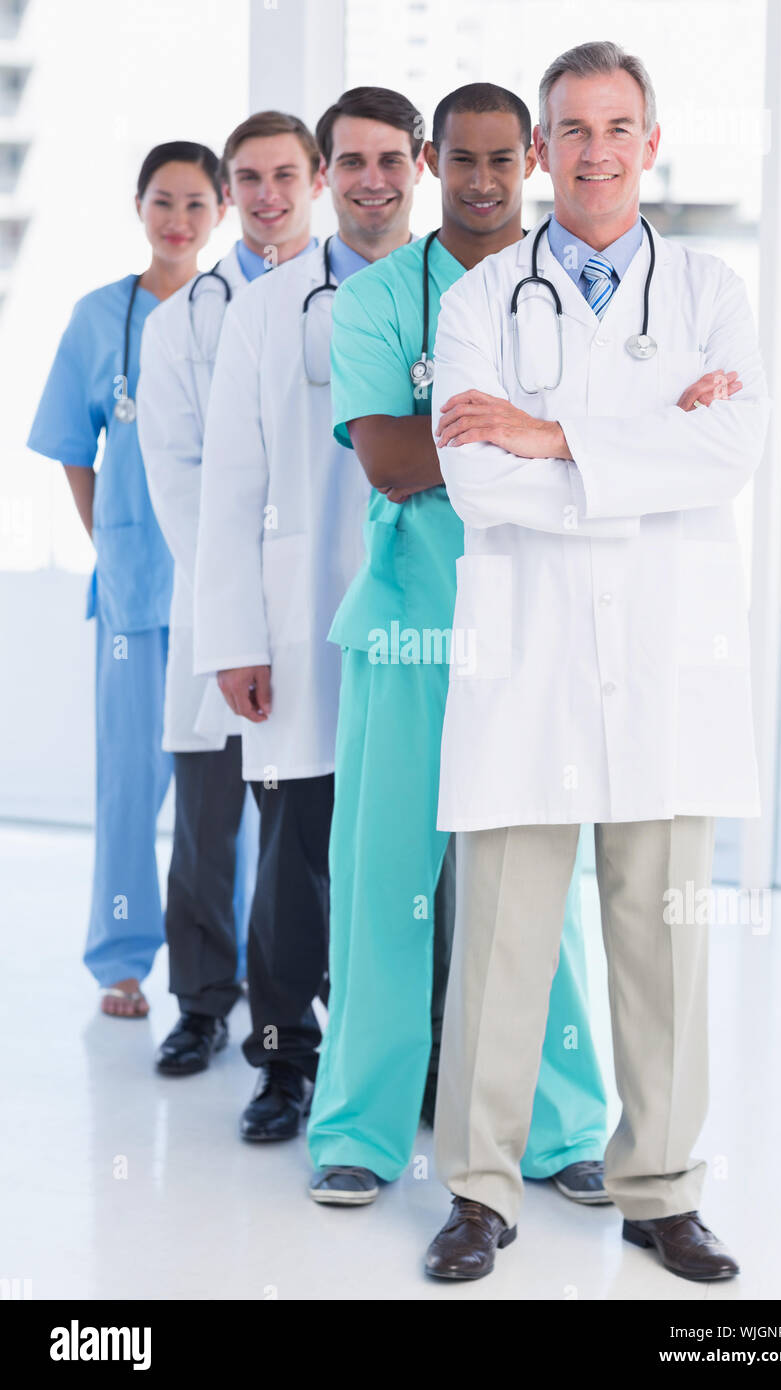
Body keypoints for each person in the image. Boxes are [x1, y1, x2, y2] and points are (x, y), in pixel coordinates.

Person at [424, 41, 770, 1282]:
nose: (595, 151)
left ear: (651, 140)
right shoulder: (477, 303)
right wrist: (636, 453)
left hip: (670, 664)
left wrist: (554, 435)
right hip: (529, 665)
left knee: (665, 940)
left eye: (617, 127)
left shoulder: (711, 293)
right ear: (540, 150)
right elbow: (476, 482)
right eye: (570, 129)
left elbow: (727, 454)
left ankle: (661, 1190)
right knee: (503, 942)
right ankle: (478, 1194)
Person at [307, 83, 609, 1210]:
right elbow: (386, 459)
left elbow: (613, 441)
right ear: (431, 159)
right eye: (462, 159)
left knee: (543, 892)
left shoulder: (571, 283)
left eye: (502, 157)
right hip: (407, 629)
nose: (482, 180)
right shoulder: (382, 295)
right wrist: (533, 439)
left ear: (530, 156)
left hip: (535, 629)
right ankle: (359, 1134)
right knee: (385, 885)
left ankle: (561, 1126)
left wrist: (525, 435)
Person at [194, 87, 425, 1142]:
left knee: (422, 861)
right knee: (292, 859)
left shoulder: (461, 294)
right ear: (326, 175)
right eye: (352, 161)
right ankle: (285, 1064)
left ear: (416, 165)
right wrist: (236, 637)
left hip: (428, 623)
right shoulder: (264, 307)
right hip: (300, 627)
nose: (371, 179)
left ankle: (417, 1061)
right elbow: (229, 486)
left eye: (390, 158)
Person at [137, 112, 324, 1077]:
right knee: (207, 828)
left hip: (311, 614)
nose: (267, 197)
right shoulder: (180, 323)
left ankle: (293, 1024)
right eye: (247, 179)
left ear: (316, 179)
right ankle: (203, 1006)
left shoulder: (345, 300)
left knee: (302, 835)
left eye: (284, 175)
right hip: (218, 607)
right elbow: (175, 473)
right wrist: (234, 600)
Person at [28, 142, 225, 1019]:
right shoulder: (98, 317)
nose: (178, 221)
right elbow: (74, 446)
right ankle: (121, 958)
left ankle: (238, 956)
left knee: (236, 792)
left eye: (194, 204)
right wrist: (111, 536)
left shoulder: (241, 308)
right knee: (129, 781)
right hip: (136, 590)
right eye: (163, 202)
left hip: (223, 589)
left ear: (221, 210)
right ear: (138, 206)